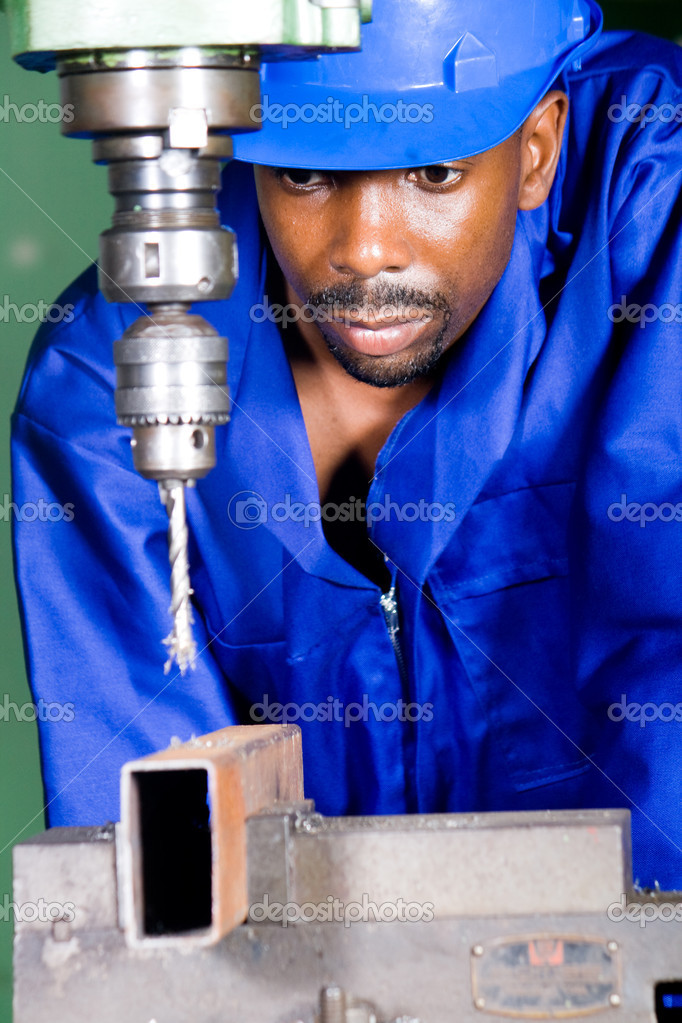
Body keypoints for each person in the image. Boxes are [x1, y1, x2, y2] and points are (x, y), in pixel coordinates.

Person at [11, 0, 682, 889]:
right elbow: (146, 862)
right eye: (304, 174)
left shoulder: (642, 210)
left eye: (434, 171)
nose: (365, 251)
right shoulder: (111, 389)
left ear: (537, 149)